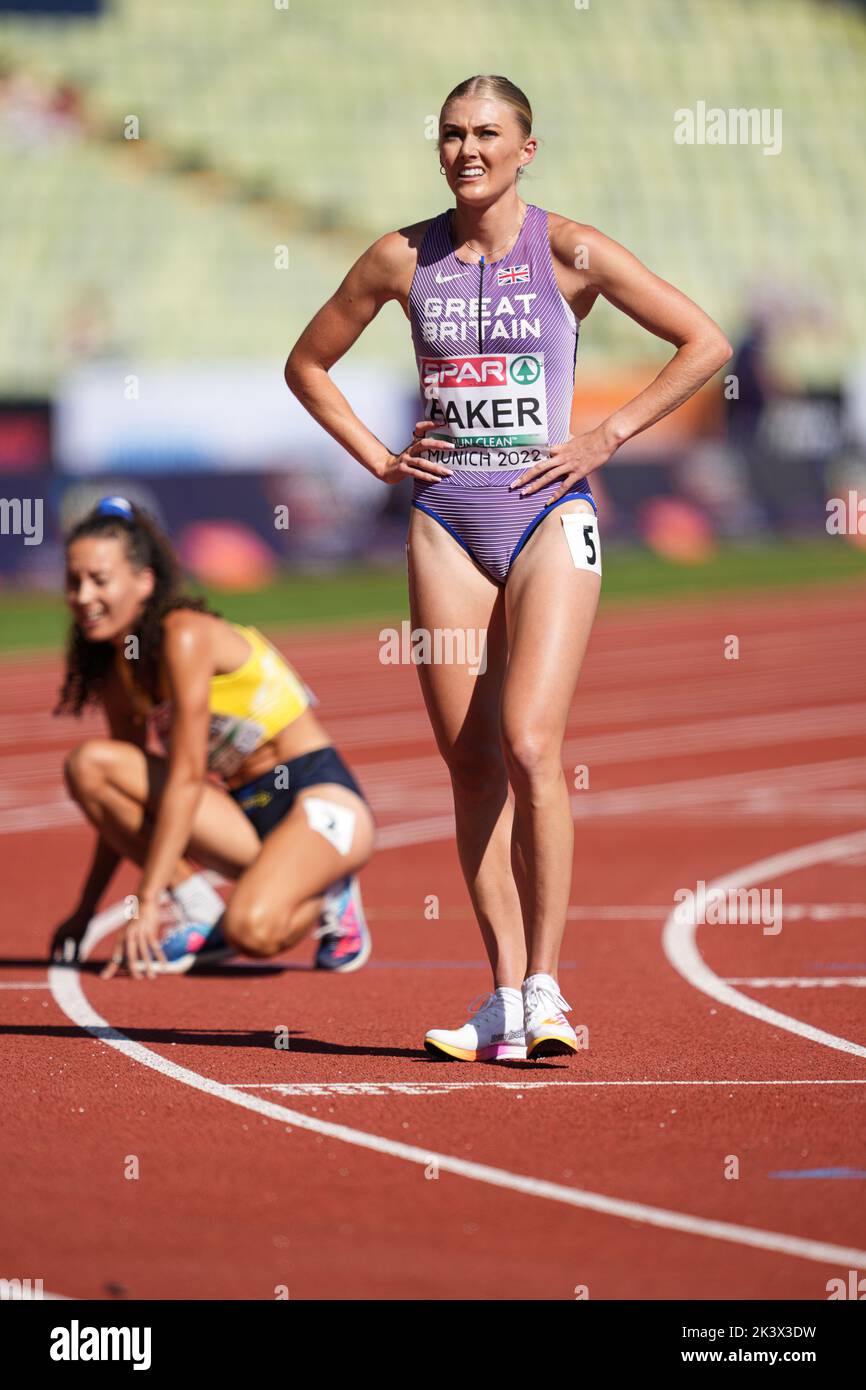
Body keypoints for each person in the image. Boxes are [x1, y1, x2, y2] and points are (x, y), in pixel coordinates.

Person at [284, 74, 731, 1060]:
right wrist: (380, 460)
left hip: (546, 516)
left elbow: (703, 342)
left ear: (526, 147)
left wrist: (605, 436)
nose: (466, 149)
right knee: (472, 763)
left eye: (487, 133)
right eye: (451, 134)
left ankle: (546, 988)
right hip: (443, 522)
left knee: (531, 743)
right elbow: (306, 364)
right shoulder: (400, 257)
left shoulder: (568, 250)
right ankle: (498, 996)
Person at [49, 496, 374, 979]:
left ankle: (329, 883)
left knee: (252, 932)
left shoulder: (186, 636)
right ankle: (201, 907)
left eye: (99, 580)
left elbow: (184, 777)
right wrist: (85, 908)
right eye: (73, 582)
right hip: (243, 813)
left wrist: (149, 898)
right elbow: (120, 806)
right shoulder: (119, 673)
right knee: (91, 766)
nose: (83, 596)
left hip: (316, 799)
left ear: (144, 581)